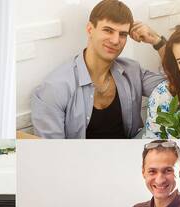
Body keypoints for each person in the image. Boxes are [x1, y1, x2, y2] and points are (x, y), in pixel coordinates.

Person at [30, 1, 165, 139]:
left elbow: (177, 89)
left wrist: (157, 41)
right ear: (90, 29)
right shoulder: (54, 88)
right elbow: (52, 154)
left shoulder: (132, 71)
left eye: (123, 34)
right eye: (108, 30)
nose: (115, 40)